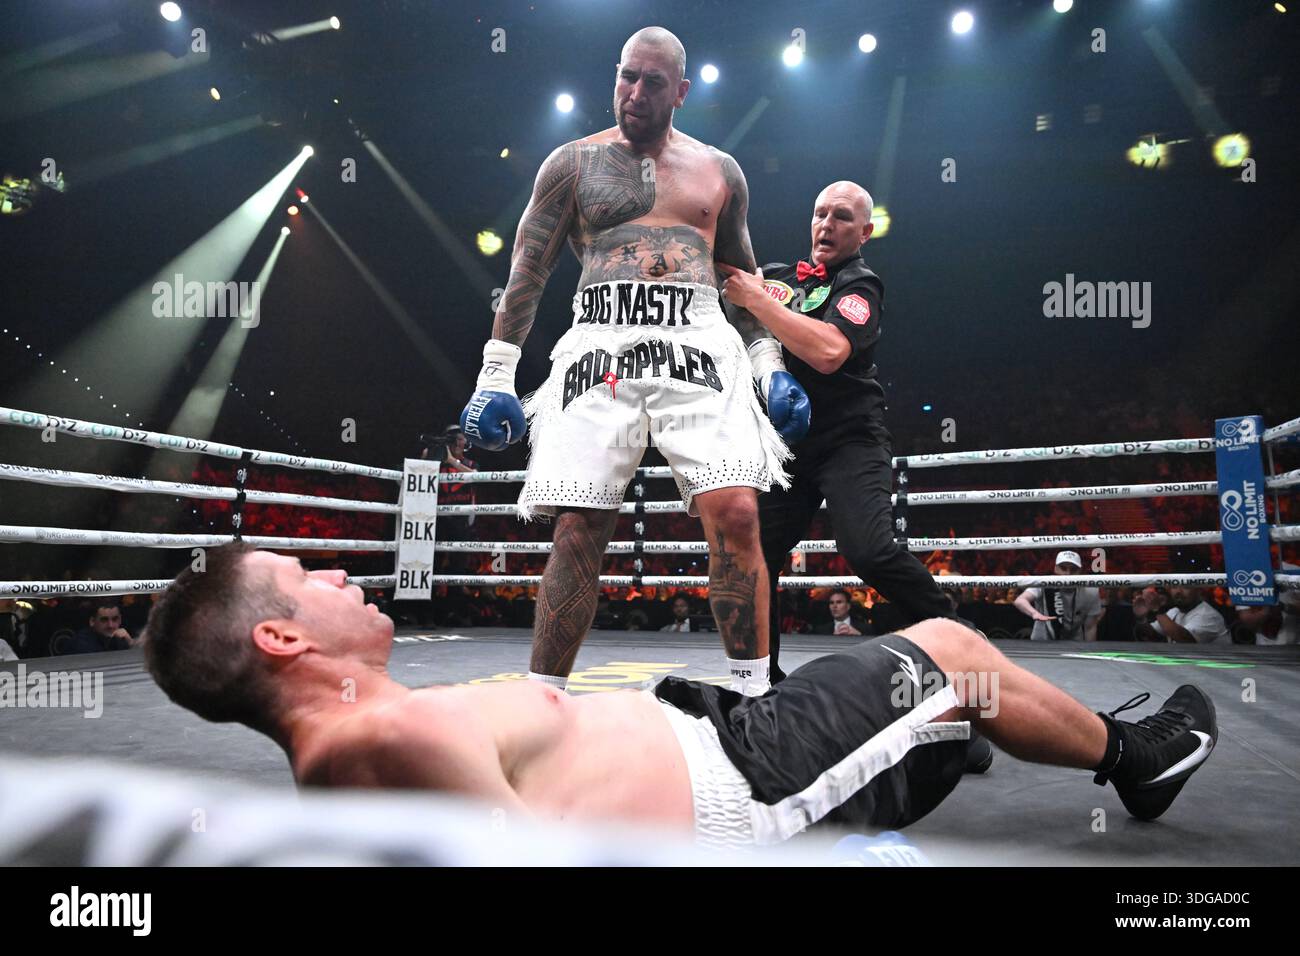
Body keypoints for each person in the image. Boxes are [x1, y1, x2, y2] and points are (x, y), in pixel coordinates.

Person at [142, 544, 1219, 845]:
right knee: (945, 648)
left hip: (712, 737)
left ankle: (944, 749)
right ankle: (1140, 758)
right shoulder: (369, 742)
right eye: (307, 577)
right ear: (281, 636)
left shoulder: (361, 742)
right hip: (739, 784)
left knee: (937, 726)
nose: (338, 574)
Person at [459, 27, 810, 696]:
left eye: (653, 82)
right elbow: (527, 269)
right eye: (626, 77)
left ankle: (755, 700)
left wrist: (769, 365)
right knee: (578, 522)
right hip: (602, 340)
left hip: (699, 337)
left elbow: (742, 276)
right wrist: (495, 375)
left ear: (681, 91)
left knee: (736, 511)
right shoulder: (572, 164)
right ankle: (545, 703)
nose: (635, 93)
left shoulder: (719, 170)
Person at [717, 180, 953, 683]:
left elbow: (828, 353)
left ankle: (960, 641)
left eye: (842, 216)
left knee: (870, 550)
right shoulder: (777, 277)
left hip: (849, 439)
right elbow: (717, 272)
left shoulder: (861, 285)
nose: (826, 224)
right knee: (753, 559)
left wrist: (759, 304)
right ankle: (763, 684)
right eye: (820, 213)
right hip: (786, 446)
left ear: (865, 232)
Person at [1013, 551, 1103, 642]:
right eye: (1063, 568)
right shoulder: (1044, 583)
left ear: (1080, 571)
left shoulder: (1091, 591)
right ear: (1056, 569)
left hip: (1075, 643)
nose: (1068, 574)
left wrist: (1090, 651)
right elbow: (1020, 600)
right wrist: (1034, 613)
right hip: (1042, 642)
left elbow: (1090, 628)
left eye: (1073, 570)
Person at [1134, 585, 1229, 644]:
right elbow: (1149, 633)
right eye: (1174, 587)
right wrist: (1142, 617)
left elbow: (1183, 638)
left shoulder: (1208, 615)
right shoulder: (1175, 611)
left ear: (1198, 591)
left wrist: (1157, 610)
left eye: (1185, 587)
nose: (1178, 591)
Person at [59, 602, 137, 655]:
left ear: (120, 620)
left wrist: (130, 642)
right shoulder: (80, 644)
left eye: (115, 619)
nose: (111, 625)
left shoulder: (121, 638)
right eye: (104, 620)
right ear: (92, 621)